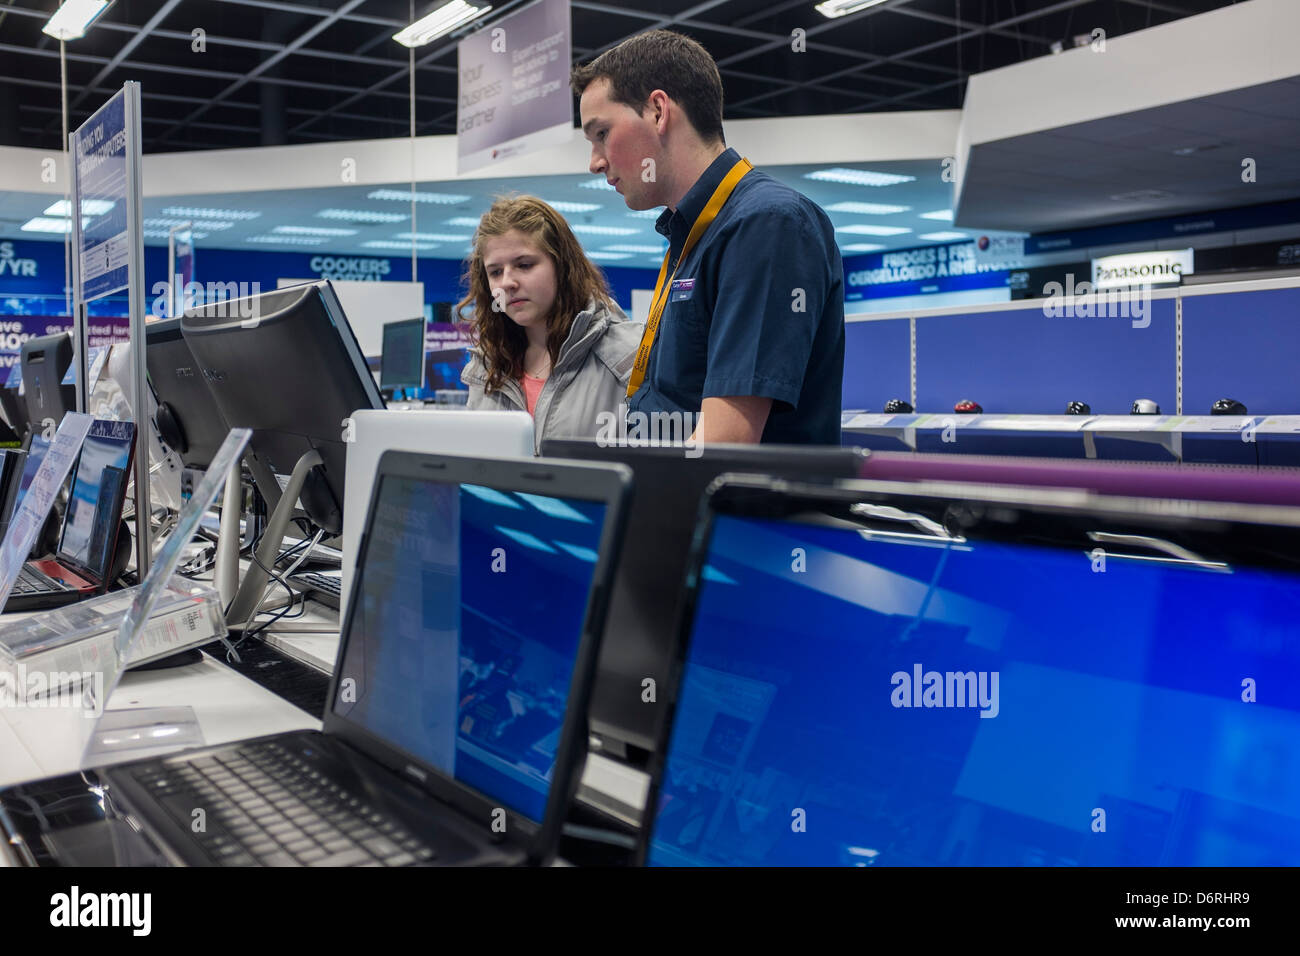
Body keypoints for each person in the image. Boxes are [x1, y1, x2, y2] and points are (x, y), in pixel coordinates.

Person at [572, 29, 845, 445]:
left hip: (730, 509)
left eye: (602, 134)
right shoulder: (693, 234)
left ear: (658, 111)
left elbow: (724, 445)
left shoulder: (766, 223)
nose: (594, 161)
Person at [459, 196, 642, 452]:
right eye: (495, 272)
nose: (507, 282)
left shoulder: (629, 355)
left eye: (524, 265)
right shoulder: (487, 364)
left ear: (563, 267)